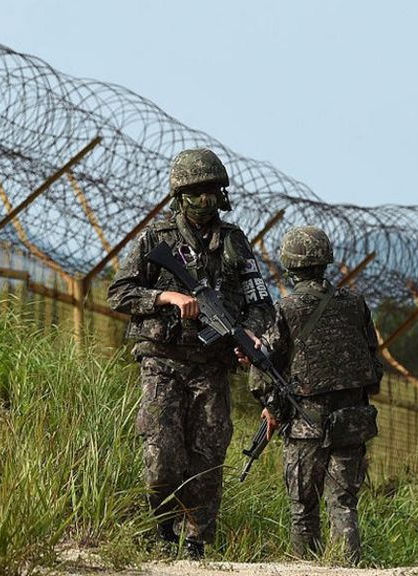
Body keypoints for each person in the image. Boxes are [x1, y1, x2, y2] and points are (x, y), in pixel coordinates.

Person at [108, 148, 274, 557]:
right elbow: (119, 293)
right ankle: (161, 532)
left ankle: (195, 545)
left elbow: (260, 304)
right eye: (195, 192)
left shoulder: (234, 242)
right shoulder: (156, 238)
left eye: (212, 191)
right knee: (162, 454)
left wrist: (248, 337)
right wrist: (166, 296)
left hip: (211, 367)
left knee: (209, 455)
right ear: (179, 196)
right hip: (163, 362)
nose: (204, 200)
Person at [237, 225, 382, 565]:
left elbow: (264, 369)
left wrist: (272, 407)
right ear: (326, 260)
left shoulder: (285, 309)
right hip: (351, 420)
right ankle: (350, 569)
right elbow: (373, 362)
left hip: (306, 425)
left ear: (289, 263)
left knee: (303, 508)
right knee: (344, 504)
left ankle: (305, 568)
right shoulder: (355, 305)